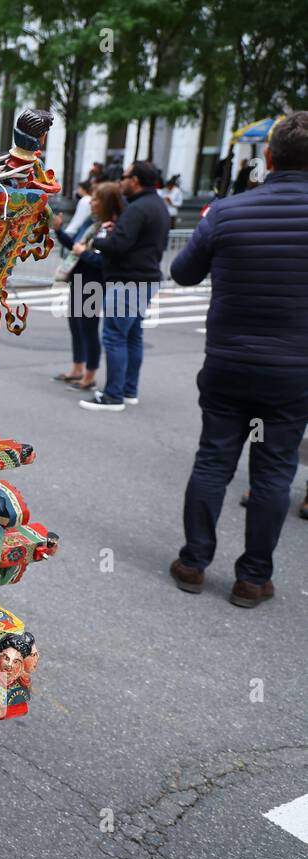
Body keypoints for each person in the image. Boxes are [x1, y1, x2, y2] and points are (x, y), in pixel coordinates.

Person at [168, 111, 308, 609]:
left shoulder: (227, 213)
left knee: (213, 460)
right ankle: (252, 578)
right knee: (274, 473)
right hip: (293, 371)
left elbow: (182, 273)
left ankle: (193, 563)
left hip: (228, 363)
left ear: (268, 158)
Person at [76, 159, 169, 411]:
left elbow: (118, 246)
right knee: (132, 336)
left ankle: (113, 395)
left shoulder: (137, 208)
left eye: (125, 177)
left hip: (128, 280)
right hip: (146, 279)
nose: (121, 181)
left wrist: (96, 242)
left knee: (115, 336)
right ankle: (128, 391)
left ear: (135, 181)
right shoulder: (158, 205)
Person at [52, 182, 121, 391]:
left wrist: (84, 253)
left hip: (94, 284)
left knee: (89, 329)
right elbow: (76, 248)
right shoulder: (94, 224)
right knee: (76, 325)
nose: (91, 202)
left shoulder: (110, 228)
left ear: (107, 203)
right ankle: (77, 369)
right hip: (79, 280)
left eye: (96, 199)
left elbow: (103, 262)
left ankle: (90, 375)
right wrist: (59, 230)